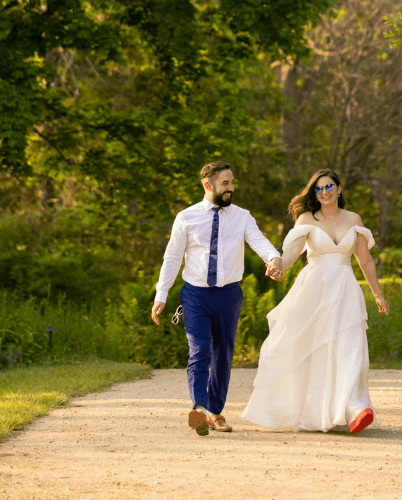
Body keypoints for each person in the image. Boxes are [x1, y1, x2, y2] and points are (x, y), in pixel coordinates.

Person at [241, 167, 389, 434]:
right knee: (314, 349)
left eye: (329, 186)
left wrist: (378, 294)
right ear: (314, 193)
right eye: (319, 189)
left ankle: (354, 409)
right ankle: (317, 412)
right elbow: (291, 254)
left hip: (345, 288)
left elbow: (365, 260)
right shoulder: (306, 219)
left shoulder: (353, 218)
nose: (324, 192)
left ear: (339, 189)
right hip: (314, 289)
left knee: (350, 347)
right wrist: (278, 266)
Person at [151, 160, 284, 436]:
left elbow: (259, 241)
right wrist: (161, 294)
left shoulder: (242, 216)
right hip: (195, 294)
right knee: (199, 351)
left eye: (232, 182)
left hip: (229, 294)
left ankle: (215, 412)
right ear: (207, 185)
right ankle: (199, 410)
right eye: (225, 183)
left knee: (223, 354)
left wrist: (274, 258)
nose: (231, 188)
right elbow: (173, 257)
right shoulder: (186, 217)